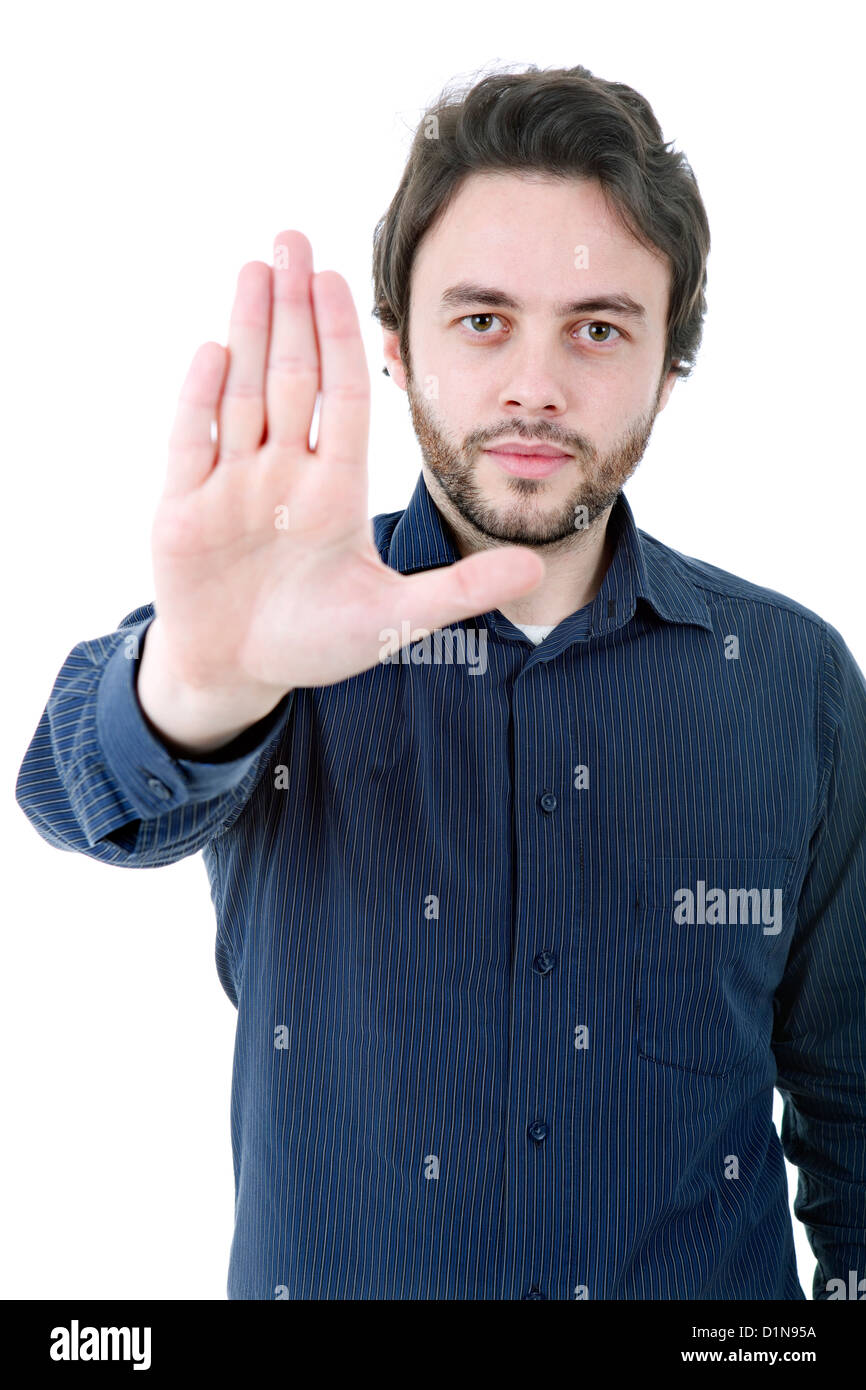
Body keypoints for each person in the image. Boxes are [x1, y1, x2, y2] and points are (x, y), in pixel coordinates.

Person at [16, 63, 866, 1301]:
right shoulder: (280, 626)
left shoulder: (791, 682)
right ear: (399, 349)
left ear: (668, 364)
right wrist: (200, 678)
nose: (534, 383)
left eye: (596, 327)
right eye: (480, 319)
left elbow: (850, 1092)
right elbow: (77, 795)